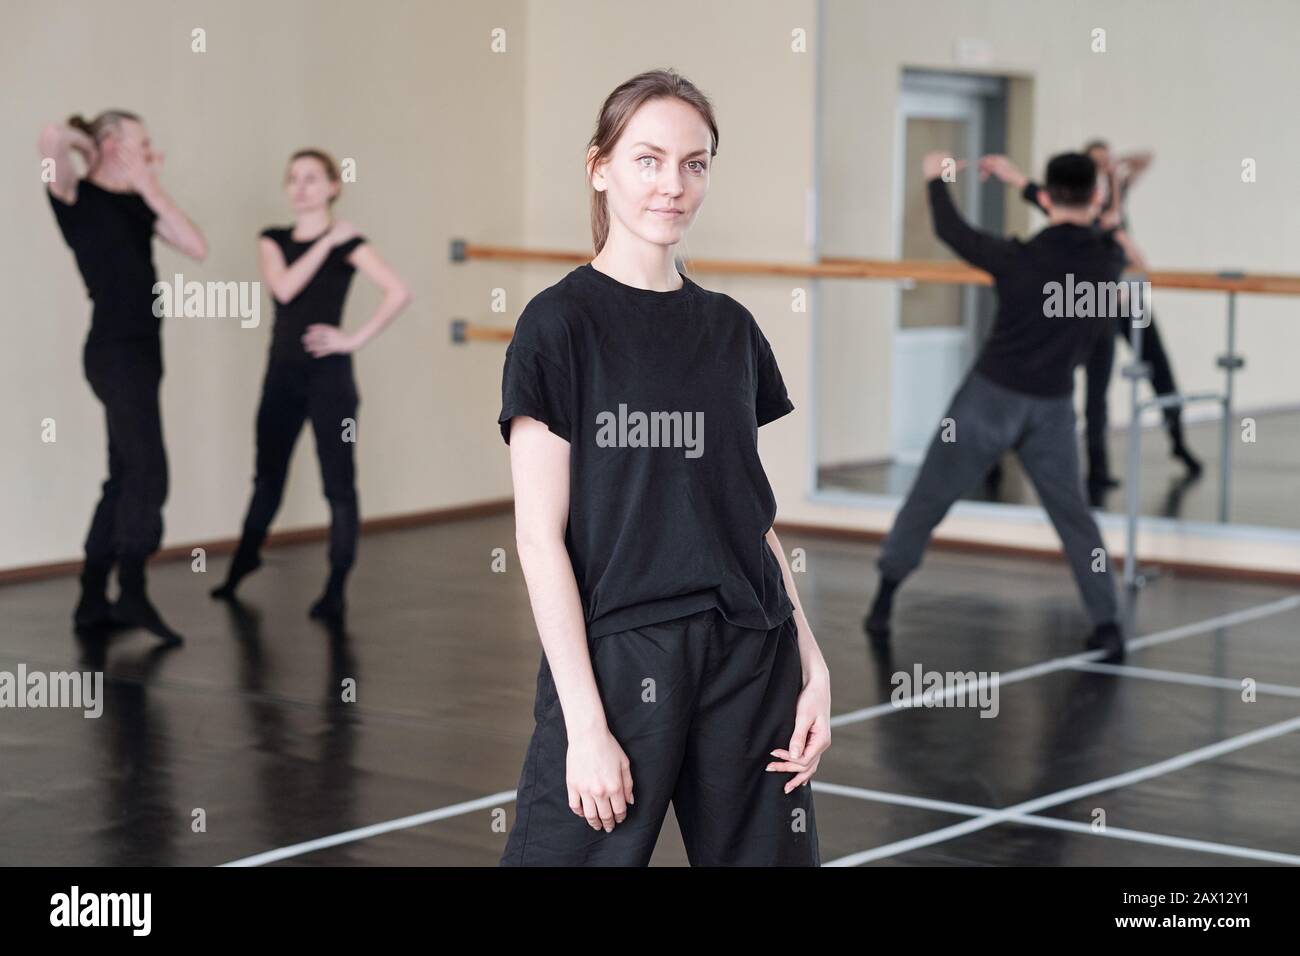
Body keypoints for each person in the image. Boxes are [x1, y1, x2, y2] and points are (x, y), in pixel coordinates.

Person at [497, 69, 830, 866]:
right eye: (647, 160)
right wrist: (586, 725)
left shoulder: (731, 328)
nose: (672, 185)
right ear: (600, 168)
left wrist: (812, 662)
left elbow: (746, 515)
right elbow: (539, 539)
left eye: (694, 163)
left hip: (751, 654)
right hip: (621, 660)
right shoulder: (558, 325)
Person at [864, 151, 1128, 663]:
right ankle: (1109, 625)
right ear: (1096, 197)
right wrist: (1023, 183)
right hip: (1053, 409)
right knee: (1076, 520)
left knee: (929, 496)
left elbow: (951, 230)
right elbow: (1083, 221)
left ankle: (883, 600)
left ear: (1048, 197)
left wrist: (936, 177)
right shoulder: (1108, 260)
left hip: (989, 399)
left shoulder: (1018, 258)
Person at [209, 149, 411, 623]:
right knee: (268, 477)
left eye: (312, 179)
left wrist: (352, 339)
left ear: (333, 187)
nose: (300, 188)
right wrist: (326, 241)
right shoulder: (274, 239)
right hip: (282, 375)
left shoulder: (350, 243)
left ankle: (336, 586)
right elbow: (284, 289)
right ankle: (243, 562)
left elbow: (399, 291)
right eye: (293, 179)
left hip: (329, 379)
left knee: (338, 484)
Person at [41, 110, 208, 645]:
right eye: (144, 144)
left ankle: (92, 599)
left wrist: (150, 186)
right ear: (112, 144)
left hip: (144, 352)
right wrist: (91, 148)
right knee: (148, 471)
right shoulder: (74, 196)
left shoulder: (138, 203)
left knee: (123, 477)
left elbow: (196, 246)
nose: (155, 153)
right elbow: (51, 137)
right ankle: (131, 590)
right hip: (113, 352)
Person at [982, 144, 1202, 496]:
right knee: (1071, 385)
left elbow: (1141, 263)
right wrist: (1008, 173)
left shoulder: (1112, 192)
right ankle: (1025, 459)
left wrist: (1116, 170)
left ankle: (1175, 441)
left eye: (1105, 158)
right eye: (1096, 160)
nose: (1103, 164)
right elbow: (1036, 192)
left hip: (1126, 302)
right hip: (1092, 304)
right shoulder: (1078, 206)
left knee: (1157, 369)